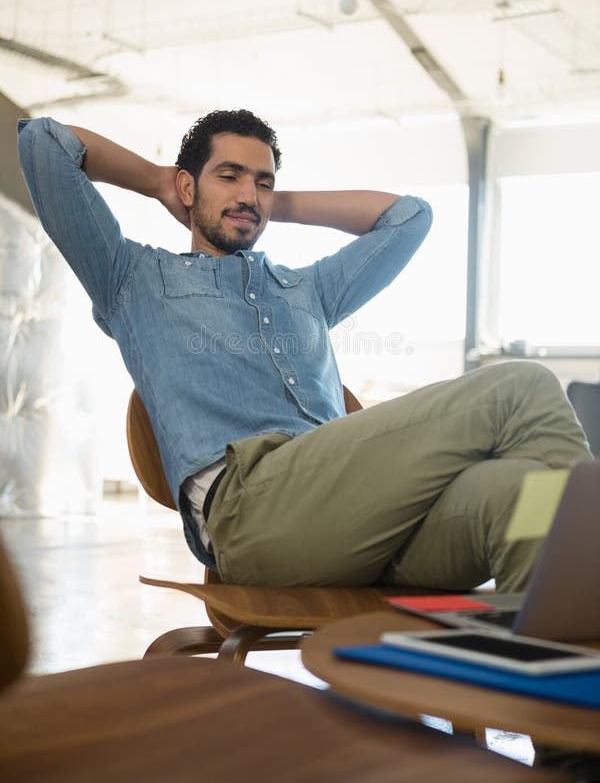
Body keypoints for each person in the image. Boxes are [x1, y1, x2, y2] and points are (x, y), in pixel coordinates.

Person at [18, 113, 591, 593]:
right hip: (255, 515)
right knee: (521, 385)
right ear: (189, 187)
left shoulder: (306, 291)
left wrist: (266, 204)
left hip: (353, 521)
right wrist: (161, 182)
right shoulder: (134, 279)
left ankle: (561, 708)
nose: (248, 193)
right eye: (229, 175)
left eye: (262, 181)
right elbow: (44, 143)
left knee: (521, 495)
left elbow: (410, 217)